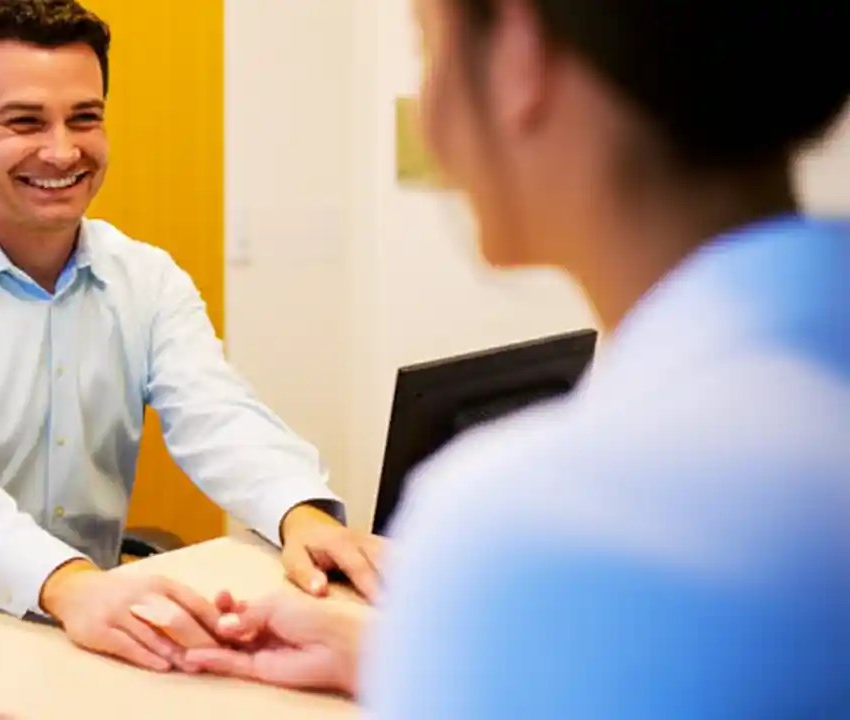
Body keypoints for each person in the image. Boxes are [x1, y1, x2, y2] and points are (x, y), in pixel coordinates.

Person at [183, 0, 850, 716]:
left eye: (427, 49)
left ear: (518, 54)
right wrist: (418, 652)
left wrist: (473, 639)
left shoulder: (542, 528)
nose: (431, 124)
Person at [0, 0, 381, 672]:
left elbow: (219, 415)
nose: (62, 151)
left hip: (84, 637)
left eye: (84, 118)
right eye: (24, 122)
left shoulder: (145, 280)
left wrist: (302, 514)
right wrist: (68, 583)